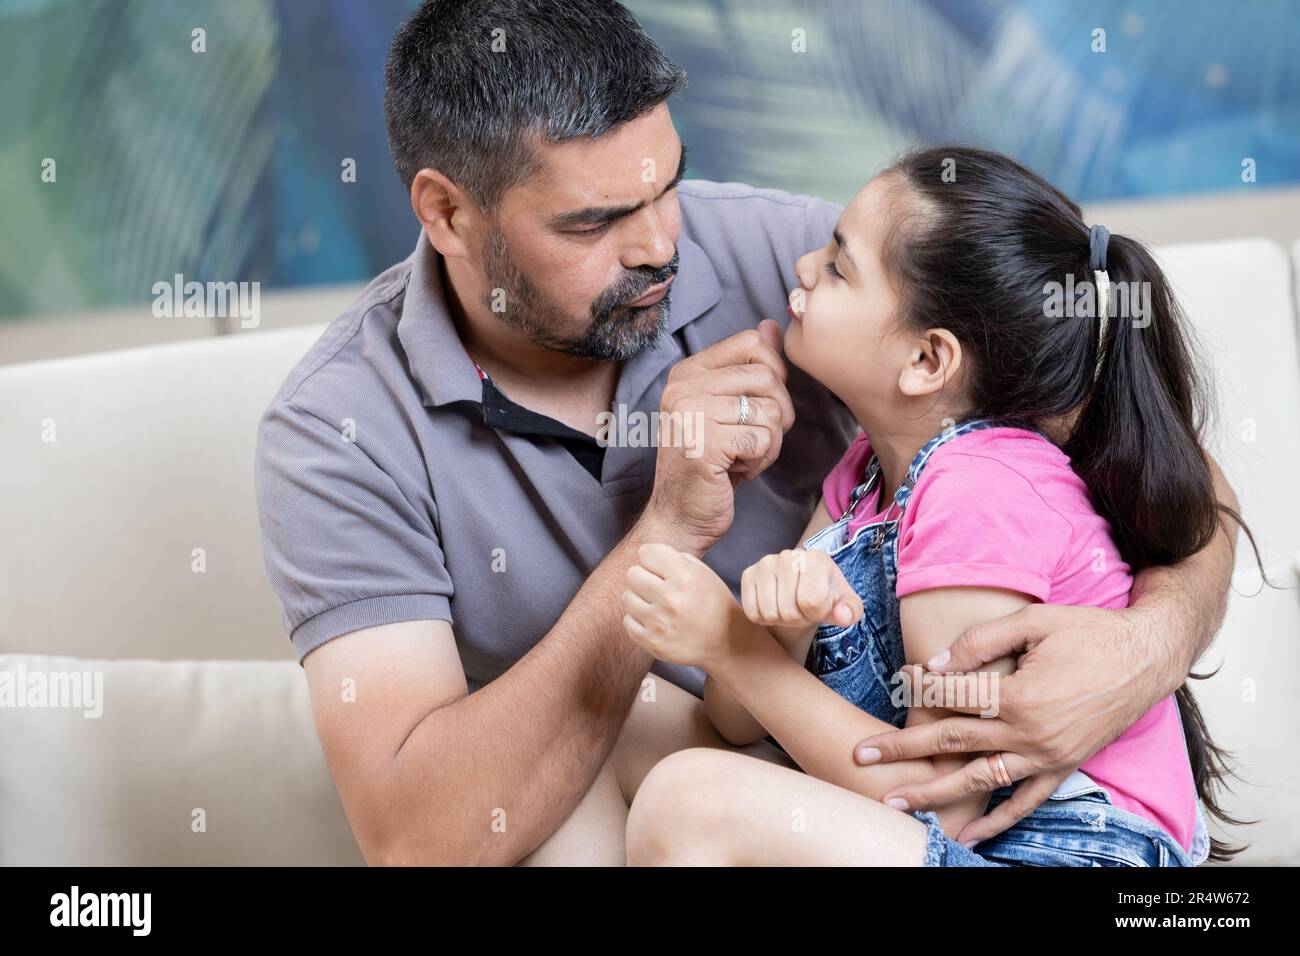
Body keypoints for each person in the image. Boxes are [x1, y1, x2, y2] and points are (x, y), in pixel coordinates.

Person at [253, 0, 1241, 865]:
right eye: (593, 224)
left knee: (683, 784)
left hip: (927, 810)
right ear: (449, 214)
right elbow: (424, 841)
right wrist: (666, 531)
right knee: (605, 767)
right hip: (796, 778)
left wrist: (1144, 648)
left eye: (667, 184)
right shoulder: (337, 429)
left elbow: (1148, 450)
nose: (660, 245)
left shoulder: (792, 263)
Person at [619, 145, 1255, 866]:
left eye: (836, 267)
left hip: (1064, 851)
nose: (800, 269)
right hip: (949, 828)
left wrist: (731, 646)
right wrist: (777, 633)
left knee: (691, 800)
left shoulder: (979, 490)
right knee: (620, 728)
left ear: (927, 361)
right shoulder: (862, 471)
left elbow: (939, 805)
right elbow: (737, 723)